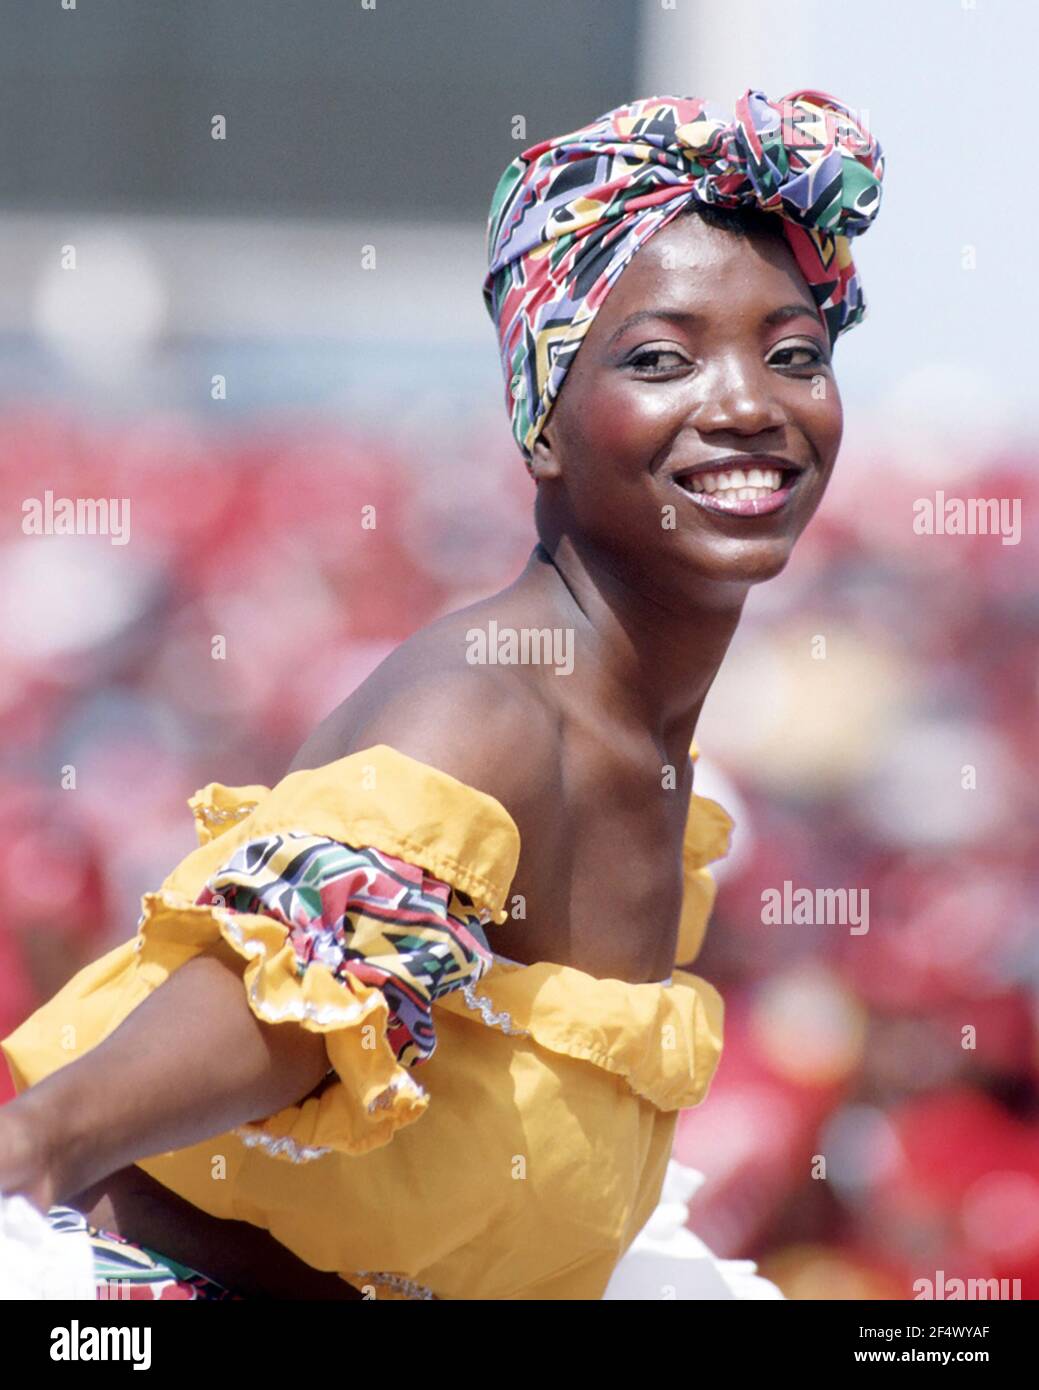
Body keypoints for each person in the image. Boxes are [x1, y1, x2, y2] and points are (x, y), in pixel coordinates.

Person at [0, 88, 884, 1300]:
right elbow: (296, 992)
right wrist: (35, 1145)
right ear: (542, 427)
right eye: (660, 359)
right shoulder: (492, 711)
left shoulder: (640, 737)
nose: (744, 403)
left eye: (794, 354)